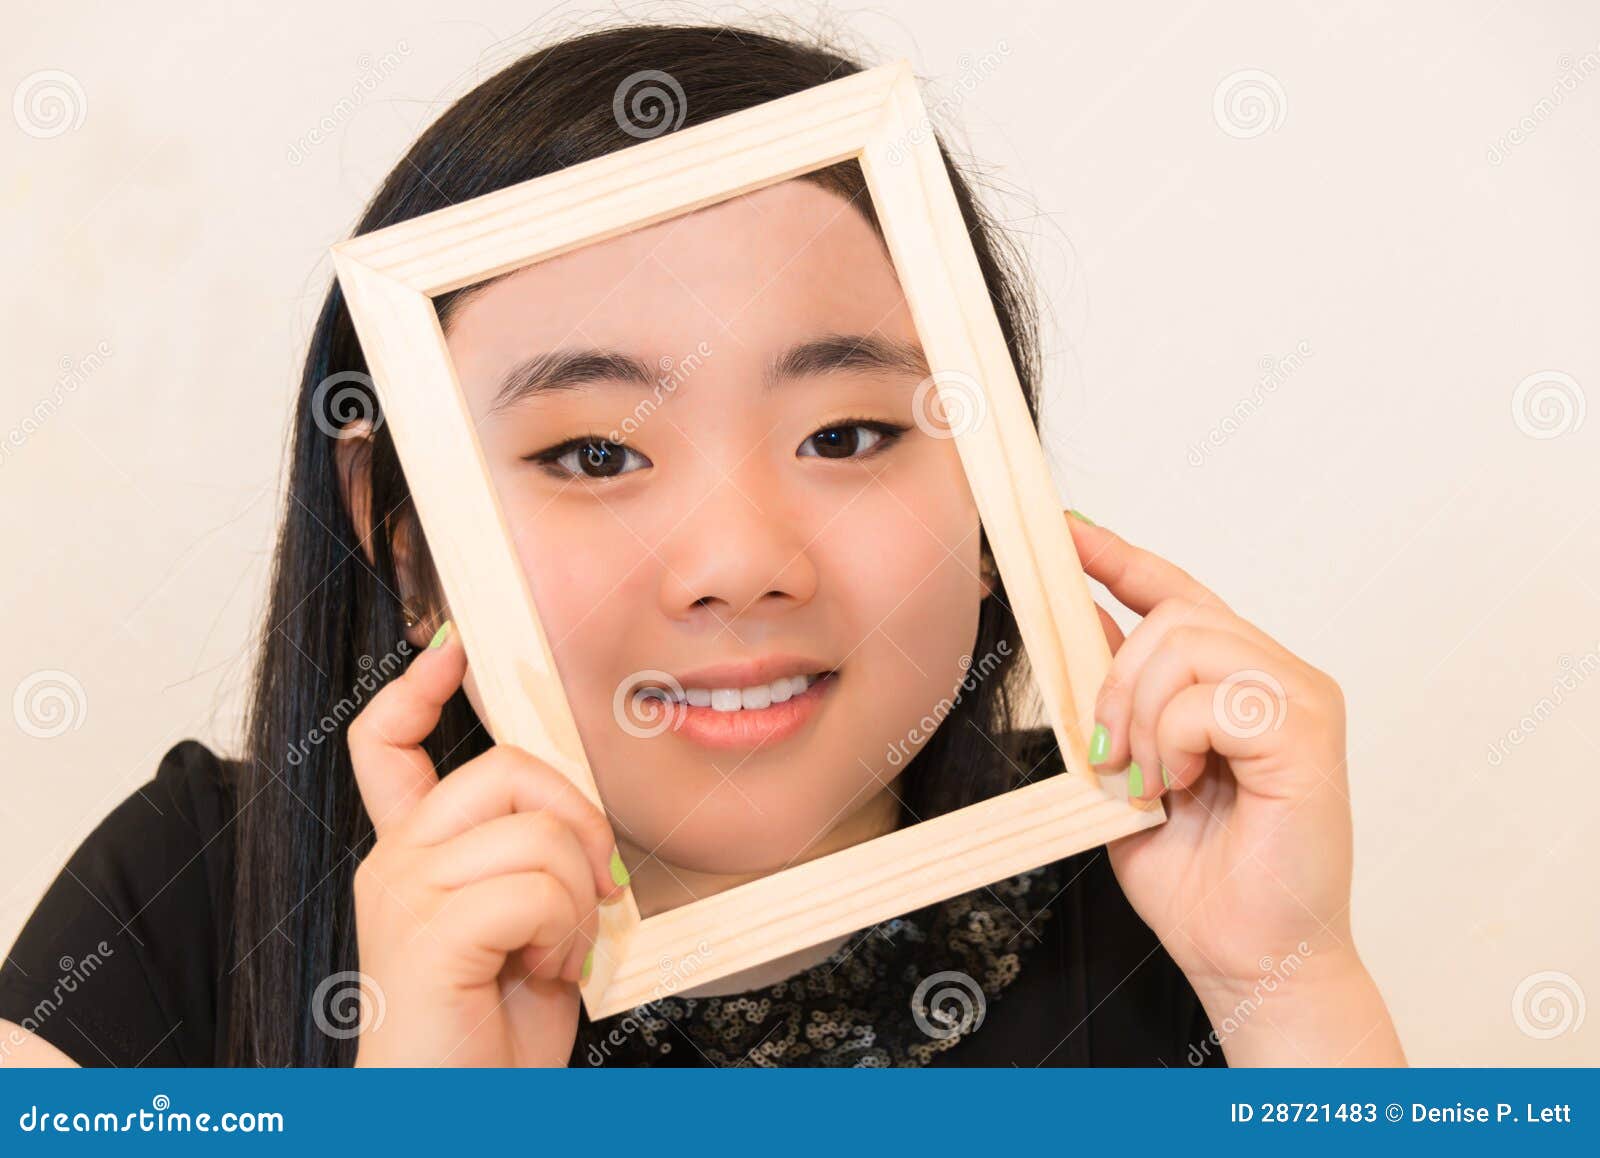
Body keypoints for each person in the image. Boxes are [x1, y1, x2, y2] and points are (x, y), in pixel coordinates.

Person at [0, 20, 1403, 1068]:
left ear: (996, 502)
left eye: (847, 435)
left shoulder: (1174, 883)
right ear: (406, 537)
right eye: (594, 454)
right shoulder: (189, 895)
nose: (740, 560)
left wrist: (1288, 979)